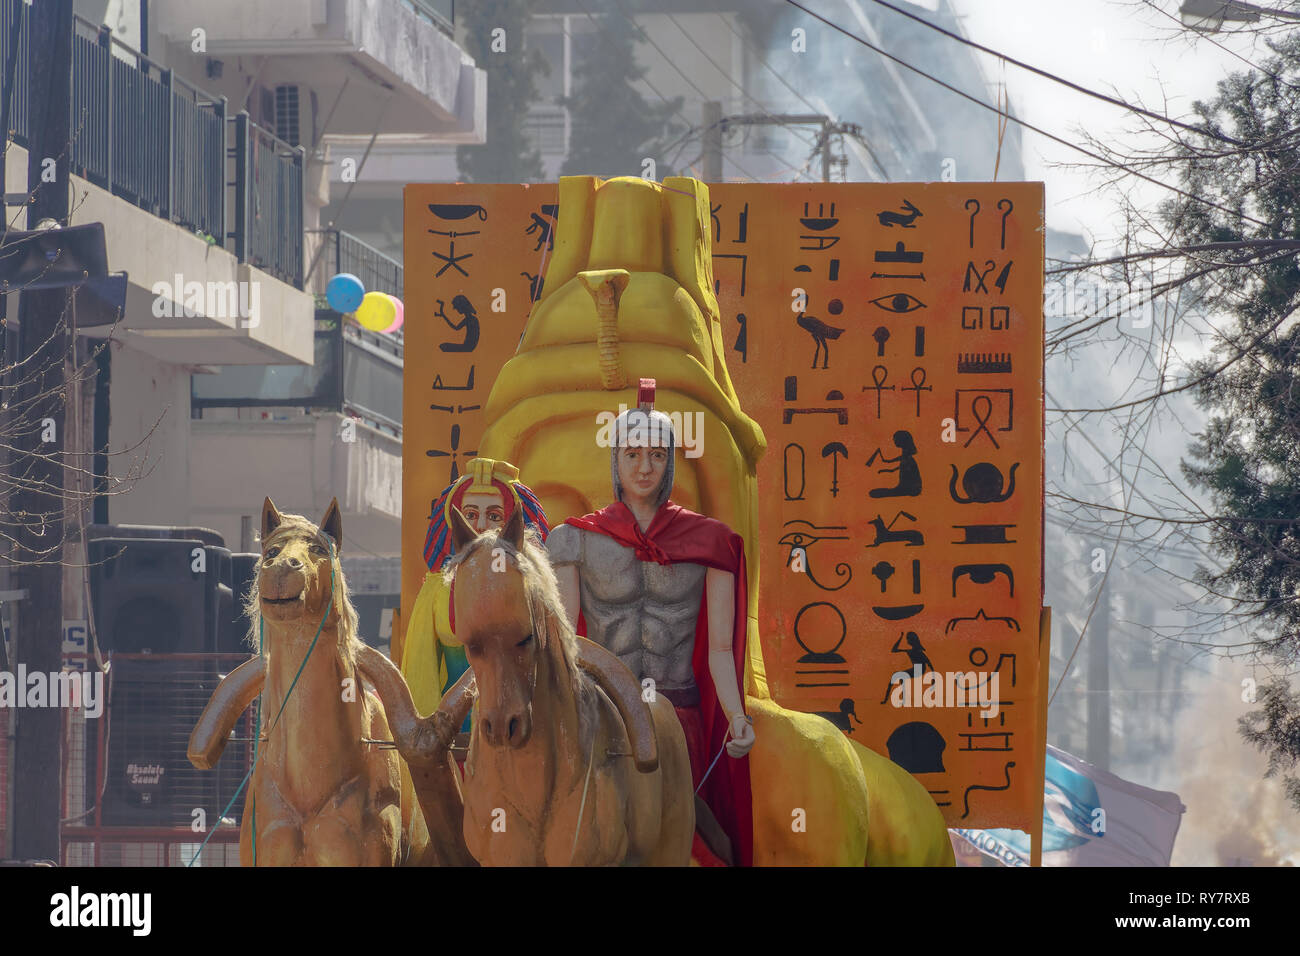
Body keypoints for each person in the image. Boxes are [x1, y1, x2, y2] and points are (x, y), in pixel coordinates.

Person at [547, 384, 755, 866]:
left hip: (680, 719)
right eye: (633, 453)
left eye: (657, 455)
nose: (644, 467)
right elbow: (566, 645)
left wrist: (737, 717)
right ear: (615, 459)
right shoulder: (572, 541)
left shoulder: (712, 542)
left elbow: (720, 651)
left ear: (671, 463)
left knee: (685, 849)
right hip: (603, 720)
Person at [401, 458, 549, 718]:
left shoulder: (534, 586)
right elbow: (419, 669)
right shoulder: (436, 588)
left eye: (493, 516)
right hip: (456, 730)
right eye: (469, 515)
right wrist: (426, 730)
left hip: (521, 723)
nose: (480, 525)